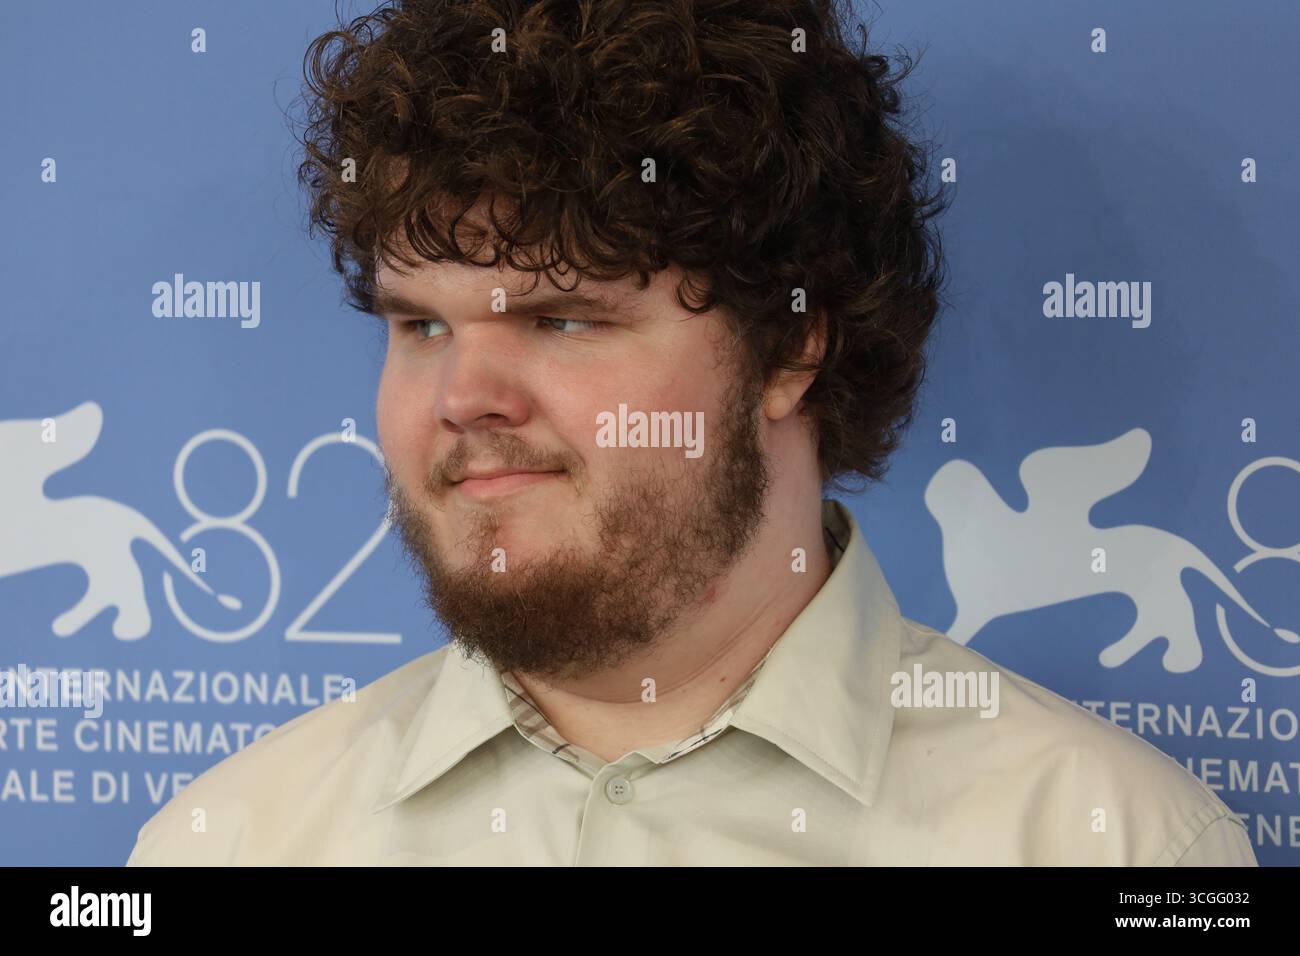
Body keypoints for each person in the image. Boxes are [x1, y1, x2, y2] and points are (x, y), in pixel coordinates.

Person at [126, 0, 1255, 866]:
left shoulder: (1109, 843)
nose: (462, 395)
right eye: (419, 323)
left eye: (564, 316)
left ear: (787, 348)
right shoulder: (235, 841)